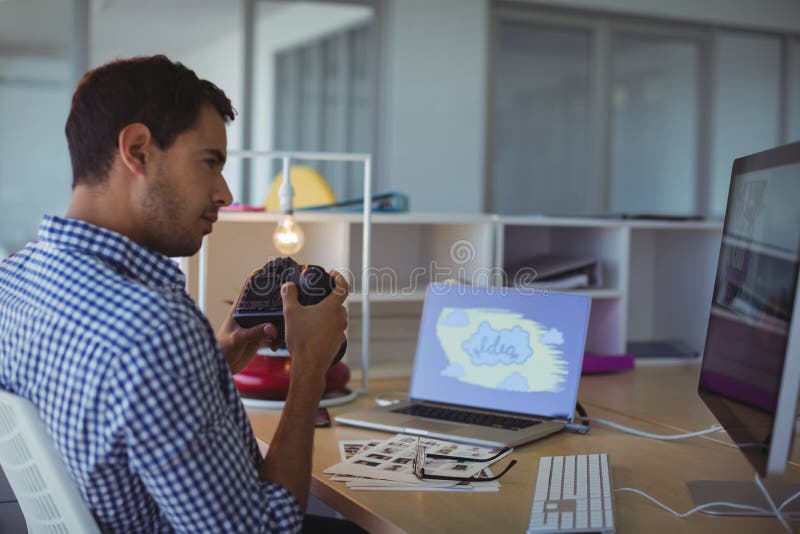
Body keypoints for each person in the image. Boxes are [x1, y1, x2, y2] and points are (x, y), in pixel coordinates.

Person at [0, 55, 352, 533]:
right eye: (210, 162)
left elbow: (116, 416)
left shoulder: (14, 280)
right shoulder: (154, 328)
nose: (225, 193)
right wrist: (310, 369)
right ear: (139, 150)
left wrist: (214, 357)